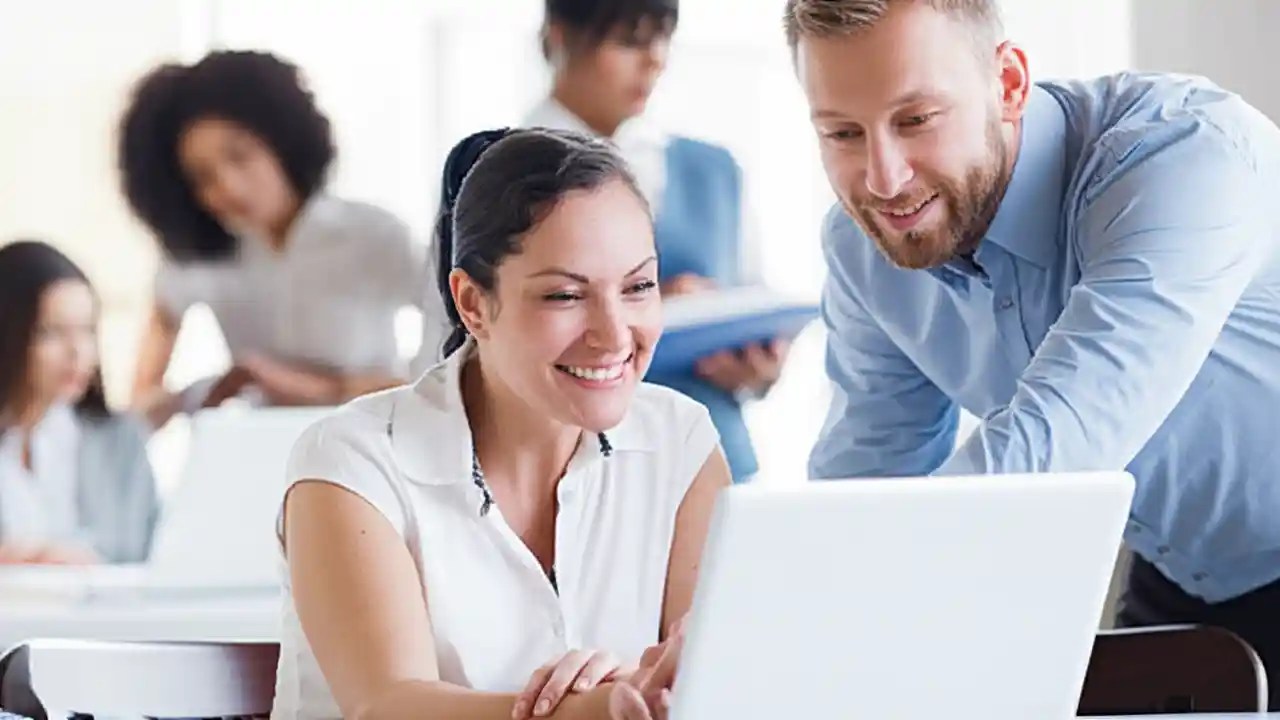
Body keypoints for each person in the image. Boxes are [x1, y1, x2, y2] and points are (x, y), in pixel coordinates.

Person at [787, 0, 1280, 708]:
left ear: (1010, 82)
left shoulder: (1185, 153)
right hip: (1180, 576)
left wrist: (803, 613)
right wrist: (761, 615)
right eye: (842, 132)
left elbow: (1059, 441)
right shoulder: (865, 247)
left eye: (916, 119)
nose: (884, 178)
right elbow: (870, 471)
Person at [271, 128, 730, 720]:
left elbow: (706, 681)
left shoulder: (681, 441)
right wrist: (591, 709)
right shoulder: (351, 463)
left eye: (639, 287)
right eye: (565, 296)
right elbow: (386, 706)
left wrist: (635, 692)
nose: (615, 335)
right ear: (472, 304)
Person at [526, 0, 790, 482]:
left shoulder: (715, 169)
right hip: (569, 477)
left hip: (717, 466)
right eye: (631, 40)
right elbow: (454, 353)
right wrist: (642, 307)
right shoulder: (492, 173)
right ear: (561, 36)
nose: (655, 59)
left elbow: (750, 300)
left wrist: (758, 371)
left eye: (663, 38)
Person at [118, 50, 448, 429]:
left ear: (280, 141)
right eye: (202, 178)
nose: (227, 187)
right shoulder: (201, 260)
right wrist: (199, 394)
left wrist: (319, 388)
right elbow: (141, 406)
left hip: (374, 453)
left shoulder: (372, 236)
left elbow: (454, 372)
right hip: (266, 458)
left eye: (239, 157)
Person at [0, 241, 159, 564]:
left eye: (87, 331)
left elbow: (147, 556)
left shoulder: (120, 440)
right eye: (51, 332)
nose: (78, 353)